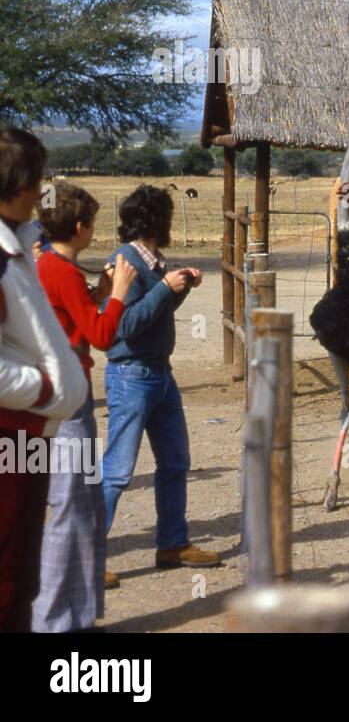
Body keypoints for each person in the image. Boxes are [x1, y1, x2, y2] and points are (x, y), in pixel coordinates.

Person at [33, 181, 137, 629]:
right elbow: (99, 336)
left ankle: (80, 611)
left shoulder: (49, 267)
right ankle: (59, 620)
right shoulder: (62, 271)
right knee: (72, 511)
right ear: (81, 227)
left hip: (66, 401)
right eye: (93, 224)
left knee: (86, 506)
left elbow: (73, 315)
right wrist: (117, 295)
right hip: (69, 406)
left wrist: (100, 292)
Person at [100, 185, 218, 571]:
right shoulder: (126, 262)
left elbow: (156, 315)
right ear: (157, 220)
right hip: (131, 375)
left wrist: (178, 288)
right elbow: (126, 326)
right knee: (118, 471)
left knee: (174, 462)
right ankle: (88, 558)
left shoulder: (151, 261)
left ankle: (172, 544)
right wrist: (165, 288)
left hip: (159, 375)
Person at [0, 126, 88, 632]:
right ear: (17, 185)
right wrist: (47, 388)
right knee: (6, 577)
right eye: (35, 181)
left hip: (31, 437)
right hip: (11, 435)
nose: (41, 193)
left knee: (20, 572)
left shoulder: (20, 246)